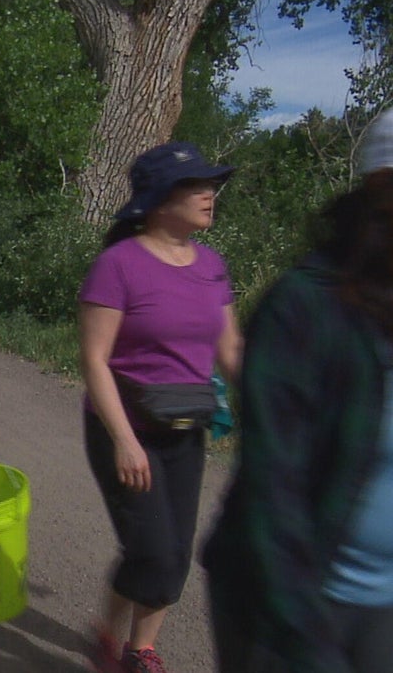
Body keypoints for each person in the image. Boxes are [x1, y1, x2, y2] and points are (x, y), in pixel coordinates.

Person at [202, 110, 393, 673]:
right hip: (292, 601)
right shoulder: (304, 308)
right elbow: (273, 492)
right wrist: (309, 647)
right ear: (379, 194)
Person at [78, 141, 242, 673]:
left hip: (185, 427)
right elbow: (95, 360)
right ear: (156, 199)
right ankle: (120, 639)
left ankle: (134, 644)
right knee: (156, 554)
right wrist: (125, 439)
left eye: (211, 184)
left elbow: (232, 350)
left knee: (169, 550)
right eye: (194, 185)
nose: (208, 194)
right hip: (124, 425)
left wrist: (273, 402)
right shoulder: (117, 265)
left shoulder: (212, 265)